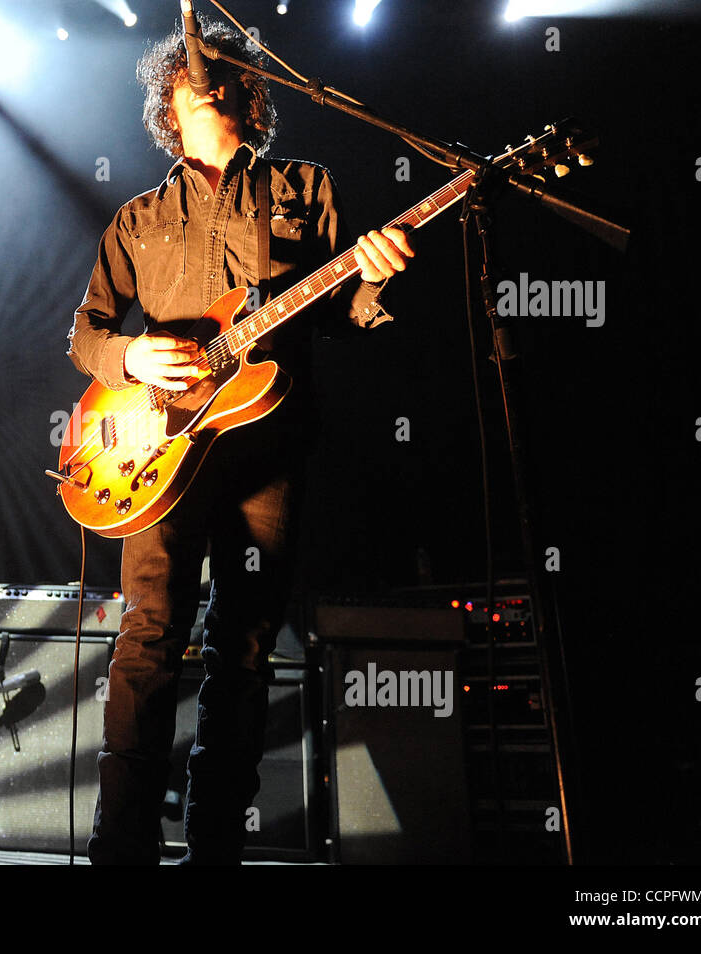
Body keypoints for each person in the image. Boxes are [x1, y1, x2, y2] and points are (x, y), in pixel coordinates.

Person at [67, 21, 414, 865]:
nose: (203, 81)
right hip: (160, 449)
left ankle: (217, 845)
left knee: (246, 643)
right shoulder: (137, 217)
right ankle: (123, 845)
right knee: (150, 632)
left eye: (219, 72)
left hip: (269, 445)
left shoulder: (307, 188)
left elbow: (340, 315)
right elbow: (85, 332)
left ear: (245, 92)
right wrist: (130, 353)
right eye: (187, 74)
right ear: (167, 104)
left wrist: (367, 281)